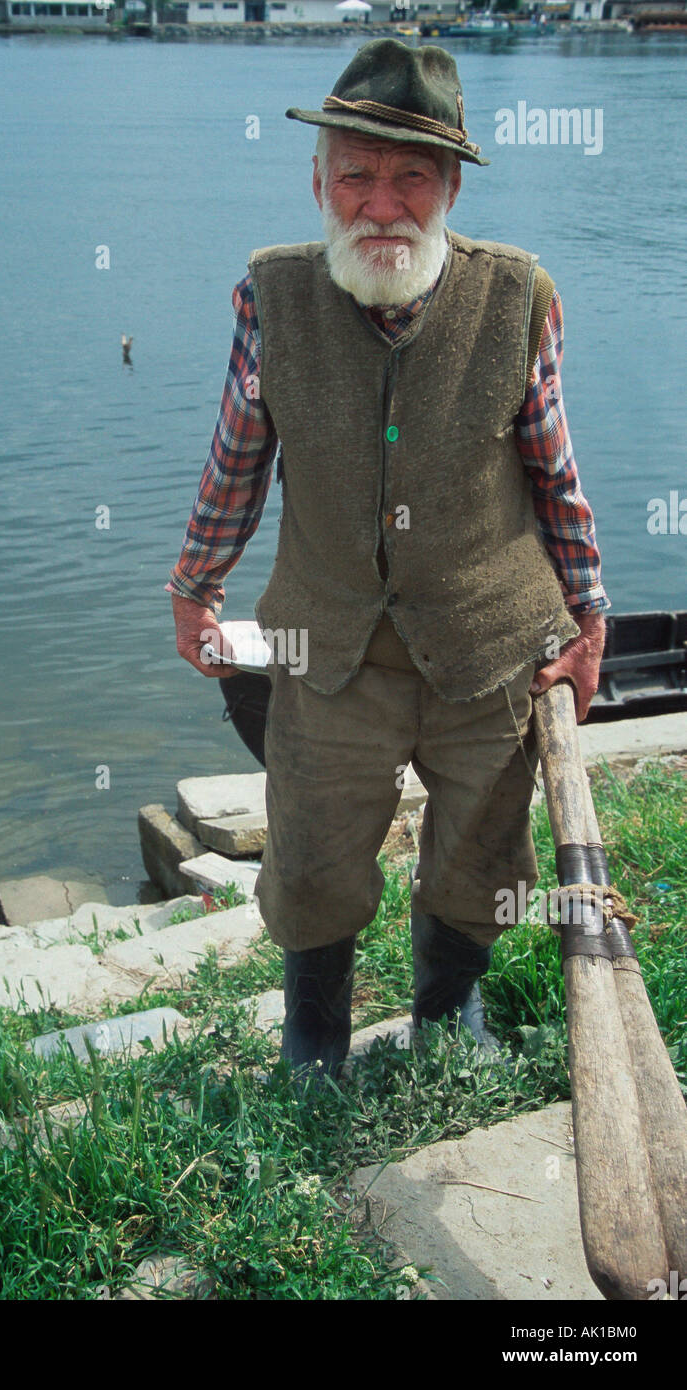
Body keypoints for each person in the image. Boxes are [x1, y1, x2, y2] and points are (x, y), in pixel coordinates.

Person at [167, 39, 608, 1080]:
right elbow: (235, 456)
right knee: (312, 852)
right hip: (325, 646)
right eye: (355, 174)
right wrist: (195, 585)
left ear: (449, 187)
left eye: (410, 176)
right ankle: (313, 1033)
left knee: (478, 855)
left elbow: (555, 474)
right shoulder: (268, 296)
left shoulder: (517, 297)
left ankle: (442, 1014)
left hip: (490, 644)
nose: (380, 203)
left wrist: (586, 621)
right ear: (316, 180)